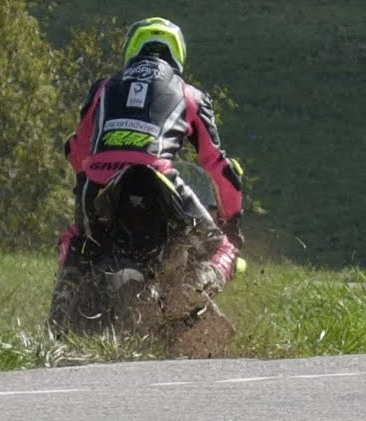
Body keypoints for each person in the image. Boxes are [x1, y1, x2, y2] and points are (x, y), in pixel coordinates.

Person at [57, 16, 244, 296]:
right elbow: (218, 165)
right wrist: (232, 219)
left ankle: (64, 297)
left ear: (131, 48)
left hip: (97, 185)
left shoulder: (103, 89)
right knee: (222, 247)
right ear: (178, 53)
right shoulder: (191, 95)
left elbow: (76, 150)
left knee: (78, 239)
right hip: (159, 180)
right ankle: (194, 291)